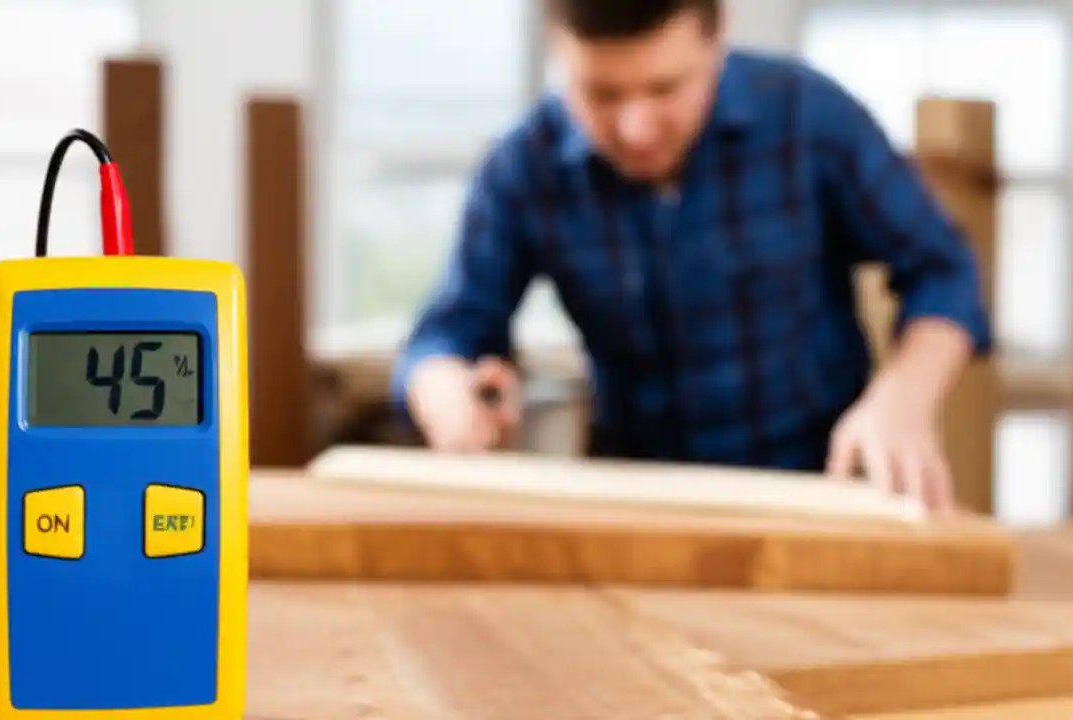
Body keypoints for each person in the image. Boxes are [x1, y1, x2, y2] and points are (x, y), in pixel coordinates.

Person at [390, 0, 991, 512]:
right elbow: (445, 335)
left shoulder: (810, 117)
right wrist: (446, 391)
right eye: (601, 94)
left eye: (664, 89)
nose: (637, 129)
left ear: (716, 38)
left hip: (819, 494)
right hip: (635, 506)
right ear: (558, 50)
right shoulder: (523, 168)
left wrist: (904, 398)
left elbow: (943, 270)